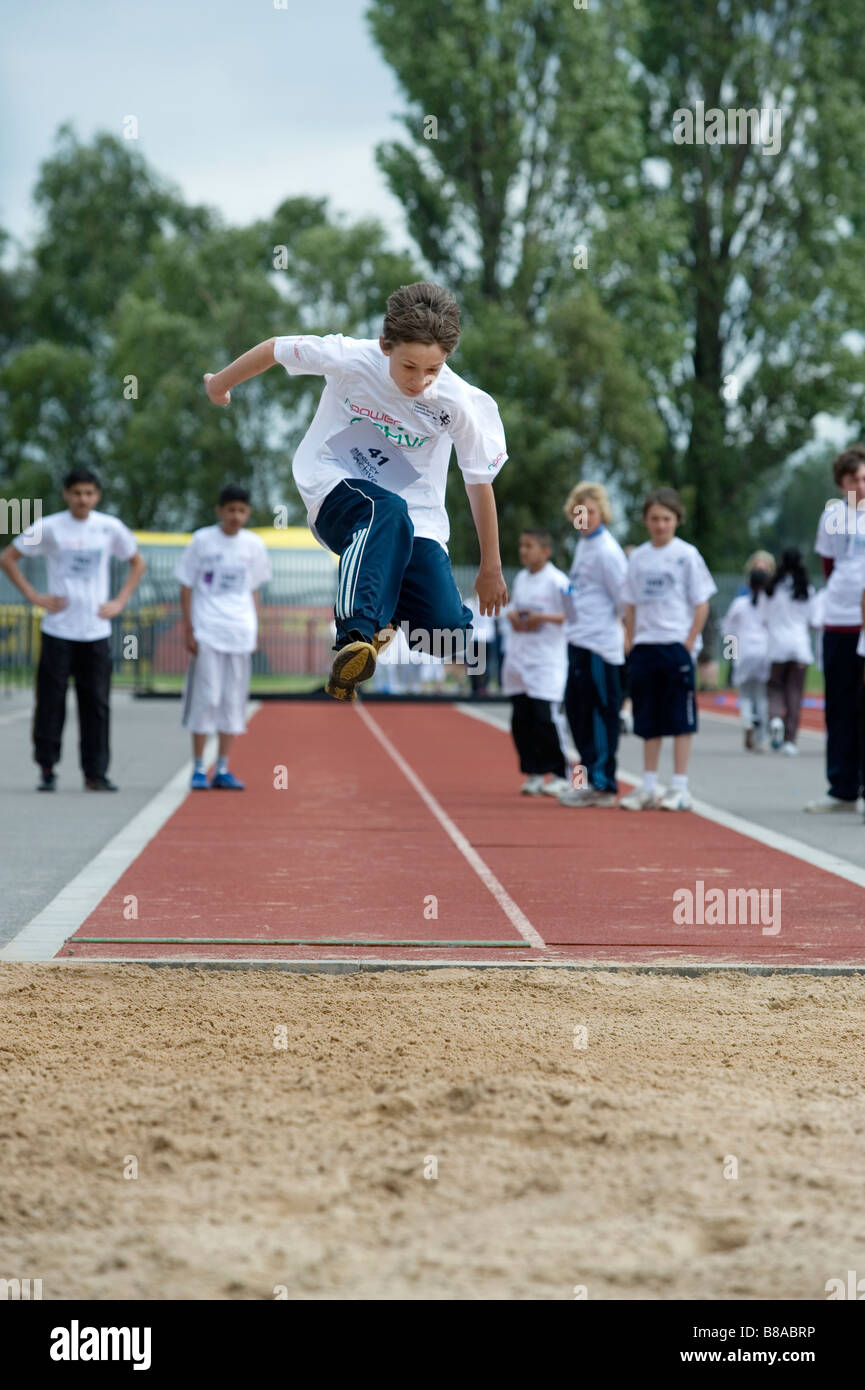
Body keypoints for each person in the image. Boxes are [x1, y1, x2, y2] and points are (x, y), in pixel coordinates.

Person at [202, 282, 508, 702]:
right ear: (385, 345)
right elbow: (276, 348)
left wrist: (491, 565)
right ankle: (356, 633)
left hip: (419, 516)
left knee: (447, 633)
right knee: (385, 508)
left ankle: (385, 621)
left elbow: (478, 482)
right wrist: (219, 384)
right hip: (333, 483)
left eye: (432, 370)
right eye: (409, 367)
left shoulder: (457, 402)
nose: (419, 381)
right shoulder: (350, 358)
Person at [0, 468, 144, 791]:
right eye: (77, 492)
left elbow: (137, 562)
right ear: (66, 494)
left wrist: (119, 601)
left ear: (97, 496)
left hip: (95, 631)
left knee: (96, 703)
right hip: (58, 629)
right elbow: (8, 558)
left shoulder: (109, 528)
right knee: (51, 701)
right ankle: (47, 767)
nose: (83, 499)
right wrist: (34, 596)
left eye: (89, 493)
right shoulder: (49, 527)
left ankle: (95, 773)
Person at [619, 488, 717, 811]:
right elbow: (630, 604)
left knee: (679, 719)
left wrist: (688, 642)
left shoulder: (687, 555)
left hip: (676, 646)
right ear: (646, 521)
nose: (660, 525)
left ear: (676, 521)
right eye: (654, 519)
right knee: (648, 719)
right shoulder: (638, 557)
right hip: (646, 647)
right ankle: (648, 786)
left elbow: (701, 604)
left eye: (666, 519)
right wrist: (631, 639)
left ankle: (679, 787)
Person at [175, 485, 271, 789]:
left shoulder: (254, 544)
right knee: (207, 697)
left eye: (241, 511)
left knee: (232, 700)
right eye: (230, 510)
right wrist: (189, 628)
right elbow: (186, 585)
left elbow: (254, 590)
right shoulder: (202, 540)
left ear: (248, 513)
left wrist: (255, 627)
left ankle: (224, 767)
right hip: (208, 630)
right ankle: (199, 767)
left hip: (240, 632)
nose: (236, 516)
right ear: (219, 511)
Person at [556, 481, 628, 808]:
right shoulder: (582, 544)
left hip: (600, 644)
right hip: (577, 639)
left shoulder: (607, 551)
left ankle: (603, 784)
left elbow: (624, 600)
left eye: (592, 511)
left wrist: (623, 635)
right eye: (579, 512)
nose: (585, 517)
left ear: (603, 514)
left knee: (600, 713)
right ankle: (583, 781)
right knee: (576, 712)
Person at [806, 445, 865, 812]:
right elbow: (828, 566)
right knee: (839, 707)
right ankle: (841, 788)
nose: (862, 484)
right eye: (855, 478)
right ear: (842, 482)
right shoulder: (832, 516)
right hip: (839, 620)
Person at [500, 529, 571, 797]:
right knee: (521, 719)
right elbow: (513, 607)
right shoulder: (521, 578)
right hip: (519, 656)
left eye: (529, 546)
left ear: (546, 551)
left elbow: (572, 615)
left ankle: (562, 773)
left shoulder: (558, 581)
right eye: (522, 545)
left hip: (546, 660)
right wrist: (513, 616)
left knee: (546, 718)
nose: (523, 551)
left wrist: (542, 618)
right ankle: (533, 773)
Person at [764, 547, 818, 755]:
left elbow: (763, 617)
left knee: (775, 687)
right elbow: (813, 620)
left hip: (777, 645)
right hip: (799, 645)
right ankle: (790, 741)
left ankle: (775, 717)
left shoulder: (772, 587)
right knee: (795, 693)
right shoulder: (806, 589)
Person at [722, 551, 774, 752]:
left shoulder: (740, 603)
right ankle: (762, 738)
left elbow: (729, 632)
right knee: (762, 695)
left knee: (745, 695)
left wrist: (731, 657)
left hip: (744, 653)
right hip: (765, 652)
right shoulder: (771, 603)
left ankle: (747, 720)